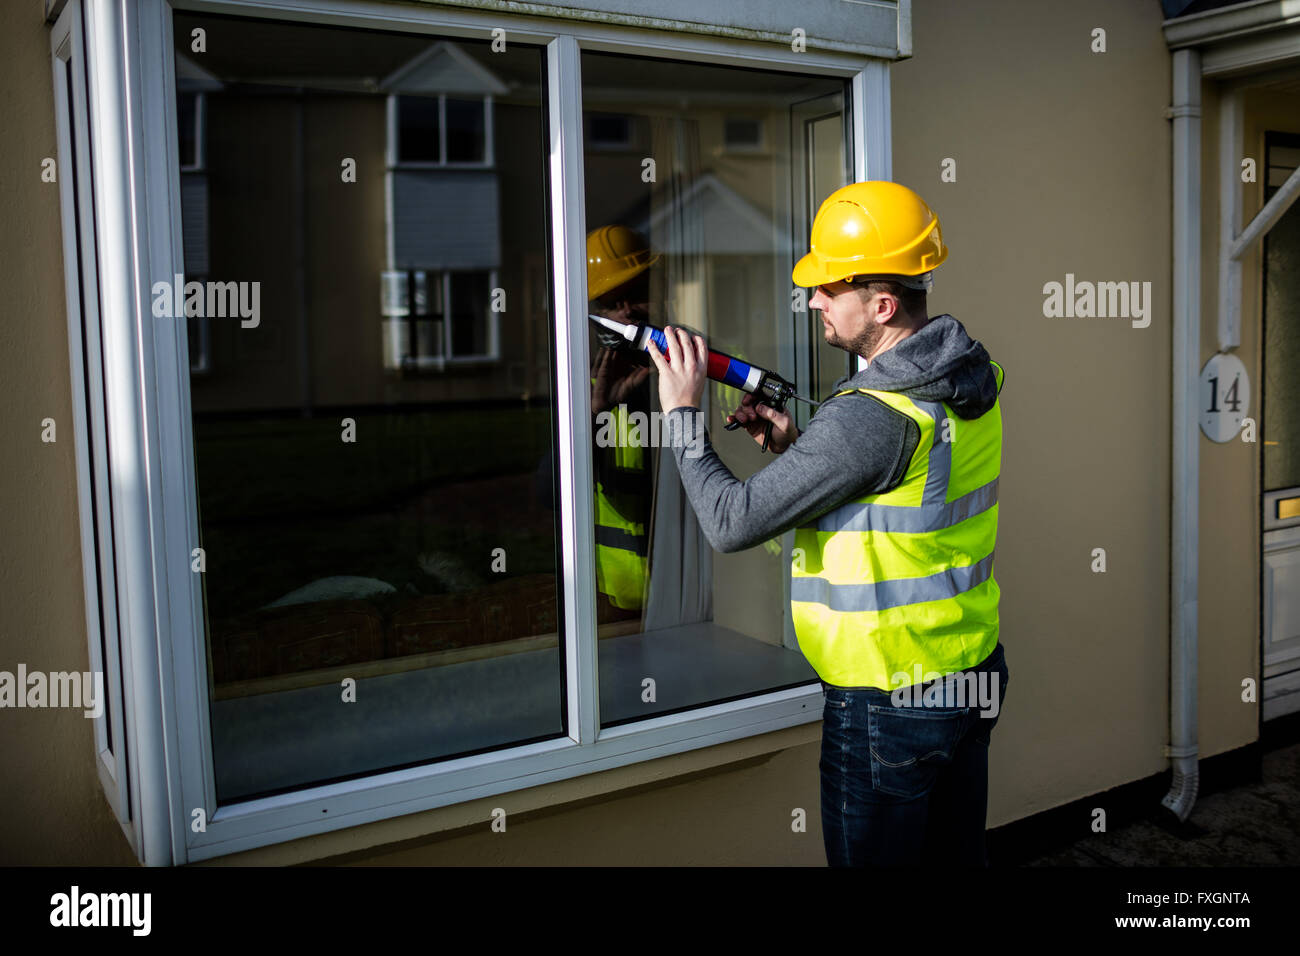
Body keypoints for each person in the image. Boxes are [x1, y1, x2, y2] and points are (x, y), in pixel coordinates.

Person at [644, 181, 1010, 866]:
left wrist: (682, 414)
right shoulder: (967, 374)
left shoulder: (872, 415)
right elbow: (906, 487)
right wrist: (800, 450)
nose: (812, 300)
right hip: (970, 673)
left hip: (889, 702)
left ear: (881, 304)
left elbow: (729, 523)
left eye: (827, 287)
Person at [586, 225, 658, 618]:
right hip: (619, 603)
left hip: (698, 592)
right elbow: (549, 491)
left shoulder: (696, 369)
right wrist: (598, 411)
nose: (627, 311)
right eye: (613, 303)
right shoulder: (585, 388)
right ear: (597, 315)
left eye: (636, 295)